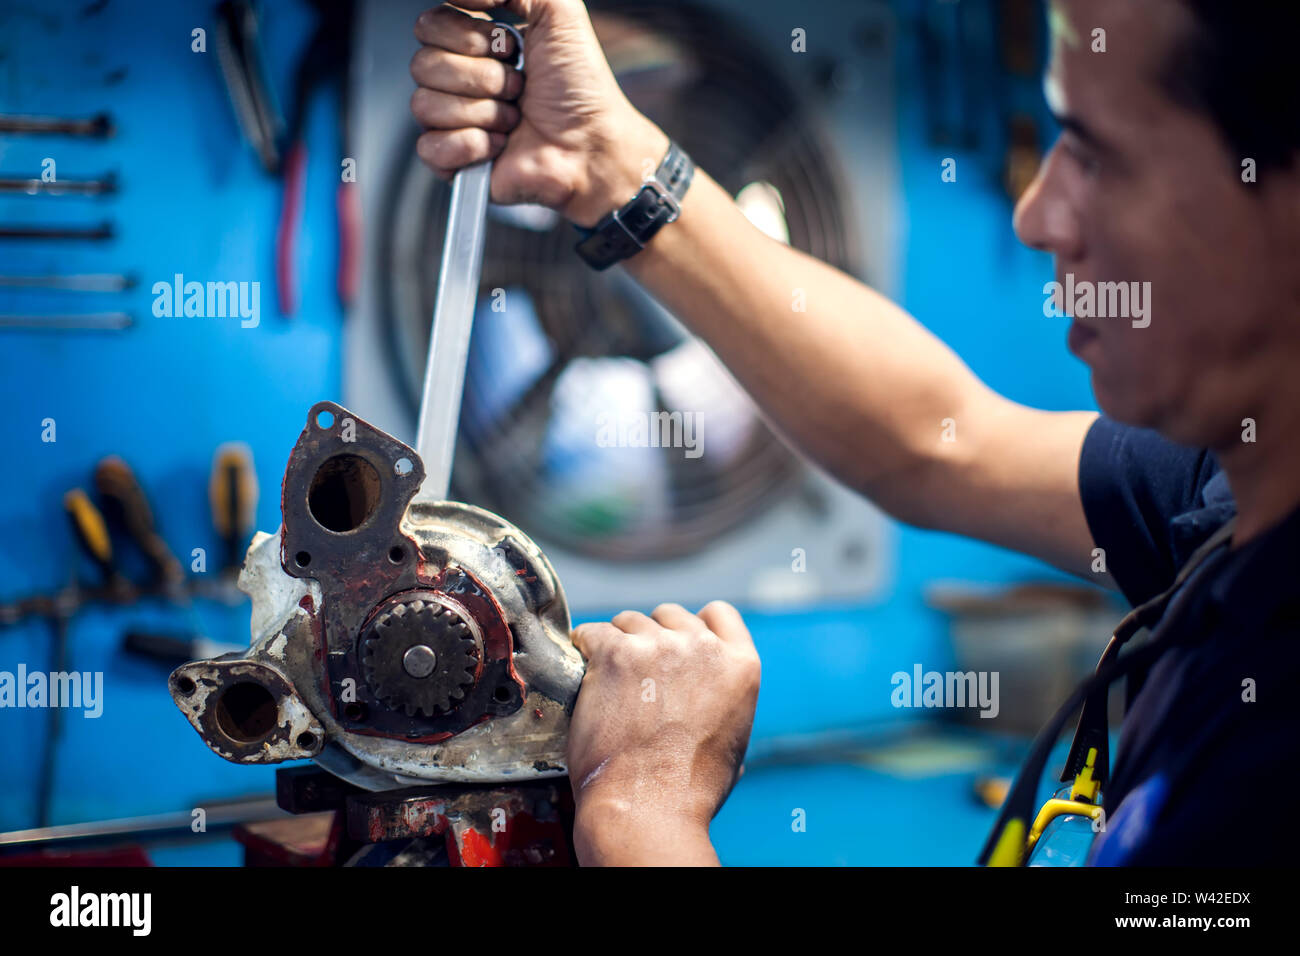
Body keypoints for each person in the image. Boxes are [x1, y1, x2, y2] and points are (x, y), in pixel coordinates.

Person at [408, 0, 1300, 865]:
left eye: (1103, 157)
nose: (1038, 217)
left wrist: (641, 808)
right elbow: (938, 443)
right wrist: (602, 163)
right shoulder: (1228, 497)